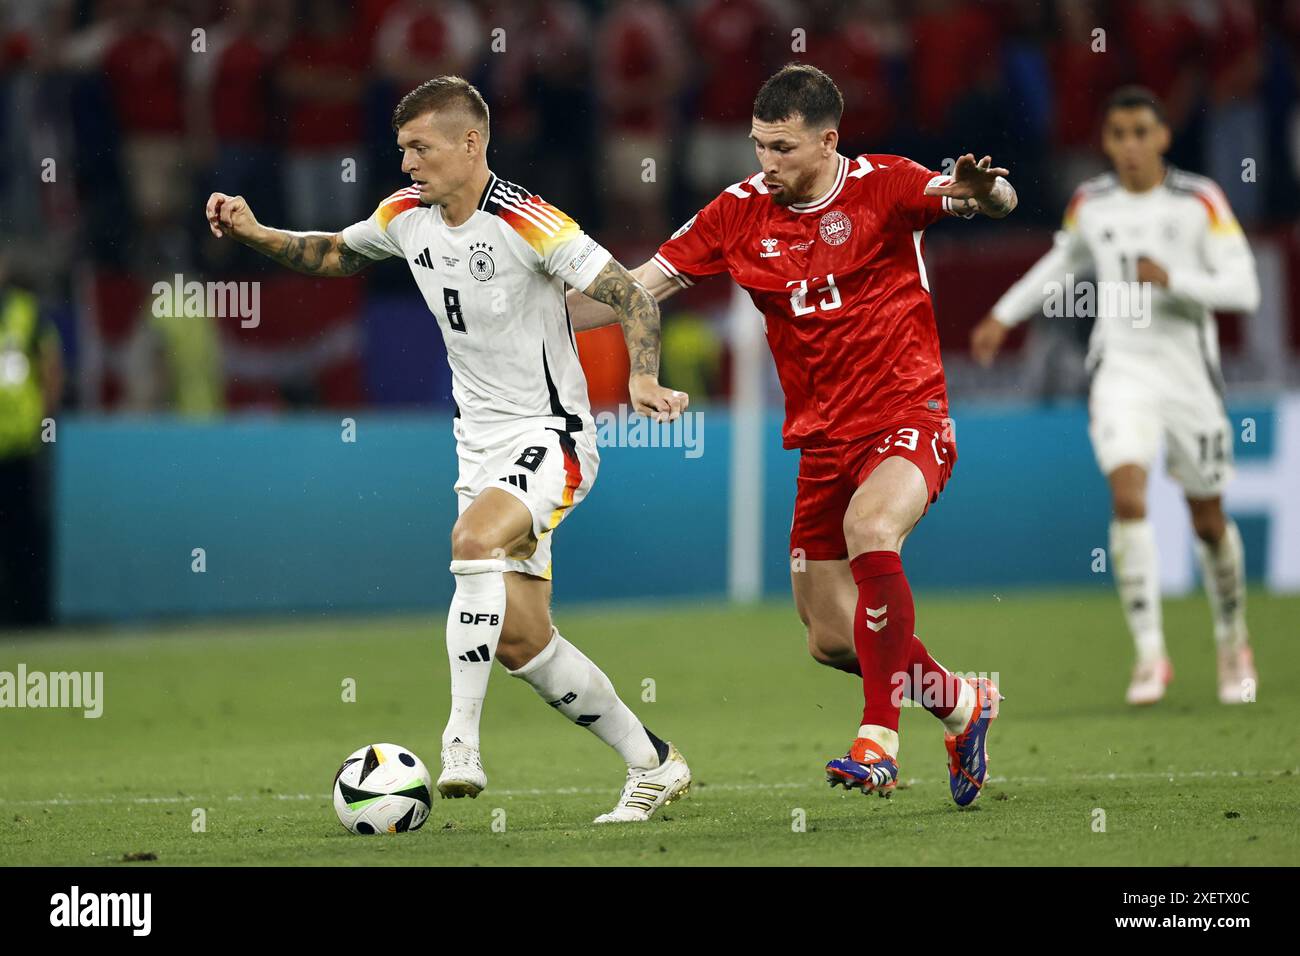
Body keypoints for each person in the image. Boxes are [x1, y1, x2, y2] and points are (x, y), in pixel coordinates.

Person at [206, 76, 691, 823]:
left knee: (470, 541)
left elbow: (627, 291)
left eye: (419, 148)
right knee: (524, 642)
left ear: (471, 144)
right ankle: (653, 763)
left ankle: (459, 741)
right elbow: (333, 252)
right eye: (402, 149)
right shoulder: (405, 216)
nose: (406, 164)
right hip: (478, 449)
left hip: (552, 437)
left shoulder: (530, 222)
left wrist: (644, 375)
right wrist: (255, 232)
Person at [569, 63, 1017, 805]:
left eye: (781, 148)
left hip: (908, 416)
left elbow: (989, 197)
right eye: (757, 146)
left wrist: (986, 192)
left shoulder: (885, 184)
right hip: (821, 444)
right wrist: (521, 320)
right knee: (831, 639)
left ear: (827, 141)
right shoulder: (738, 212)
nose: (764, 163)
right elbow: (632, 289)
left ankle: (877, 742)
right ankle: (963, 706)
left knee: (872, 526)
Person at [972, 86, 1260, 706]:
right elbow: (1059, 265)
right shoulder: (1092, 204)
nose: (1129, 146)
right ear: (1105, 142)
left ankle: (1232, 637)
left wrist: (1174, 279)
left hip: (1189, 377)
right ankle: (1151, 655)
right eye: (1118, 134)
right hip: (1122, 371)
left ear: (1162, 137)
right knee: (1128, 494)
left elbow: (1244, 289)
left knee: (1208, 520)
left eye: (1140, 133)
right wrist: (1002, 314)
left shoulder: (1199, 200)